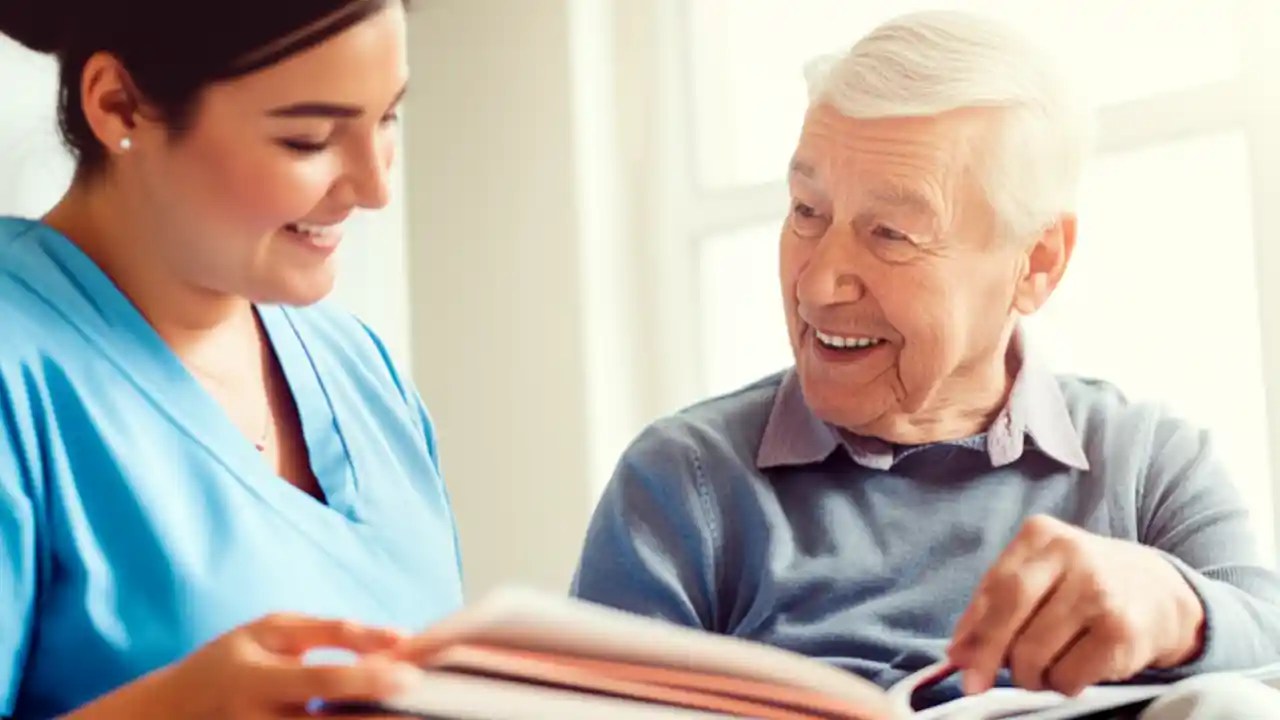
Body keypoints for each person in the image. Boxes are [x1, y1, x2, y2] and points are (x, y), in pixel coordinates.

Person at [572, 9, 1280, 713]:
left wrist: (1178, 610)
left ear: (1035, 262)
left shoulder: (1147, 464)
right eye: (806, 211)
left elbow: (1268, 642)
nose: (818, 283)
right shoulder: (683, 487)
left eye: (891, 233)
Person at [0, 1, 464, 717]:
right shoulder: (18, 368)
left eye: (388, 119)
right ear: (118, 107)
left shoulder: (360, 370)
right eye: (308, 140)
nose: (375, 188)